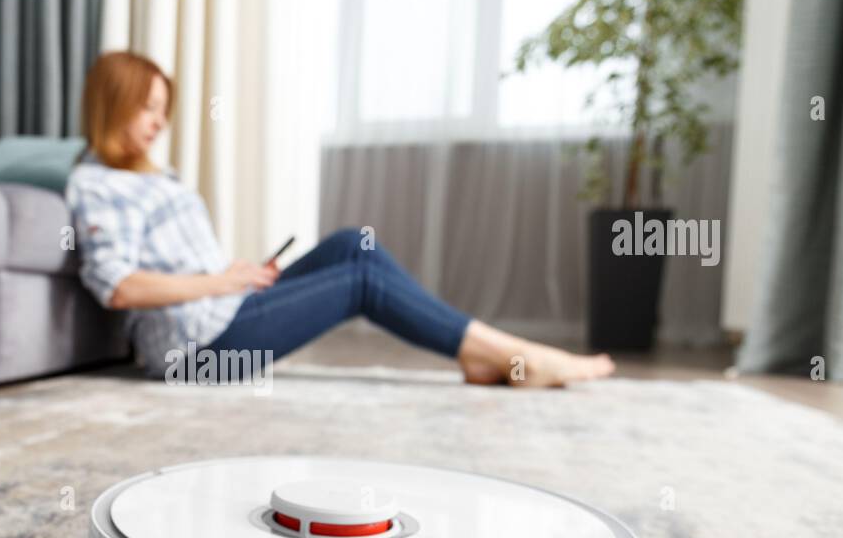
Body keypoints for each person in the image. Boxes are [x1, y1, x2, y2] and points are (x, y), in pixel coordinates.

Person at [66, 51, 616, 387]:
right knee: (360, 281)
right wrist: (223, 281)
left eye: (165, 108)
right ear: (112, 104)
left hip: (224, 312)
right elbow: (119, 287)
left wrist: (236, 277)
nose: (161, 121)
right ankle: (515, 355)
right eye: (148, 107)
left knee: (355, 245)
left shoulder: (156, 177)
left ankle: (482, 354)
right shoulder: (95, 185)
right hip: (197, 354)